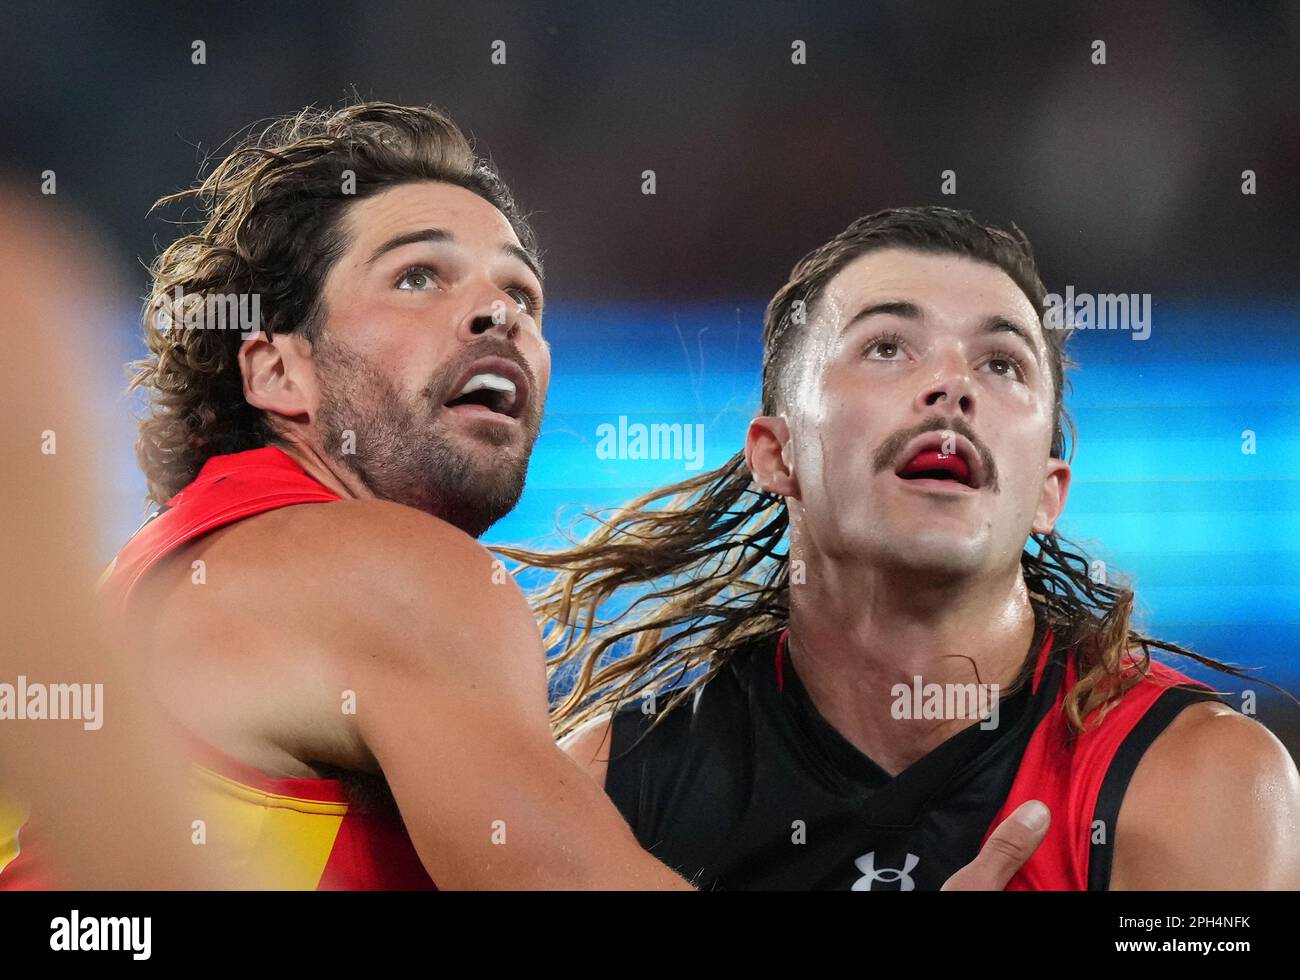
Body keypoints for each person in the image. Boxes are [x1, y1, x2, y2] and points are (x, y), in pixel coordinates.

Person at [0, 107, 1045, 890]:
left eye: (521, 294)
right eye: (420, 277)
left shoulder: (173, 572)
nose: (495, 314)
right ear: (279, 371)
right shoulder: (383, 572)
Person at [511, 206, 1300, 890]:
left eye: (1001, 363)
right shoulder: (621, 785)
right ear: (775, 455)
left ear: (1047, 495)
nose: (952, 386)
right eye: (888, 347)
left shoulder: (1200, 782)